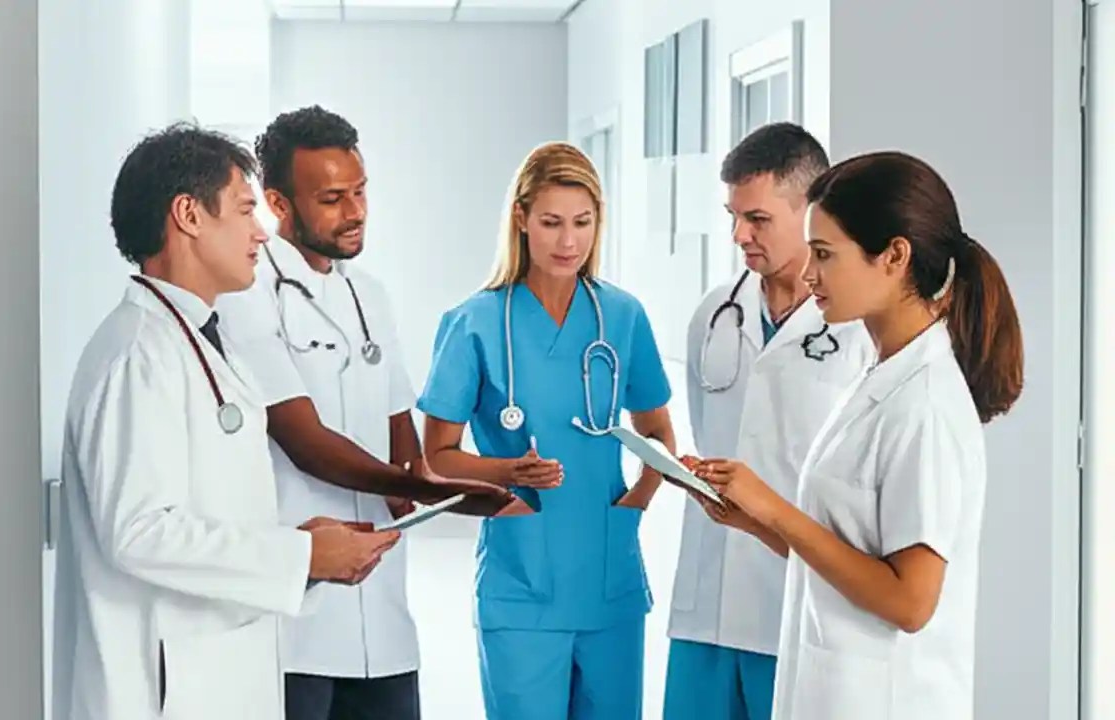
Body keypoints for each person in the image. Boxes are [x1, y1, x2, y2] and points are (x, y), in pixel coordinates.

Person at [51, 123, 404, 720]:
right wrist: (301, 558)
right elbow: (139, 533)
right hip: (162, 688)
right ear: (188, 214)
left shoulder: (195, 338)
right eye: (245, 209)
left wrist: (299, 545)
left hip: (211, 673)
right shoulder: (141, 353)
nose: (261, 232)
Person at [692, 151, 1024, 719]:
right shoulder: (881, 375)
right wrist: (754, 520)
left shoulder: (923, 403)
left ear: (894, 256)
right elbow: (852, 552)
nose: (809, 273)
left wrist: (773, 509)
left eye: (824, 254)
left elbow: (910, 601)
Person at [416, 141, 678, 720]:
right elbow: (435, 458)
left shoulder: (623, 316)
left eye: (582, 223)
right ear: (521, 219)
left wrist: (635, 503)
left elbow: (658, 432)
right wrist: (507, 478)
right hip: (521, 576)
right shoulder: (475, 322)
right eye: (552, 222)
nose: (568, 242)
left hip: (610, 575)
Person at [217, 105, 428, 719]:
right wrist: (411, 480)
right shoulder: (248, 294)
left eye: (360, 191)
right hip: (299, 624)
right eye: (333, 198)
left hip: (384, 615)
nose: (356, 211)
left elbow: (399, 424)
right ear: (279, 203)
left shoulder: (372, 295)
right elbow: (300, 435)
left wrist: (436, 485)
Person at [664, 123, 874, 720]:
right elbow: (711, 430)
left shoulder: (859, 327)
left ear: (810, 210)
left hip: (797, 602)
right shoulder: (715, 314)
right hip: (707, 601)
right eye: (732, 215)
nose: (738, 235)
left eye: (756, 219)